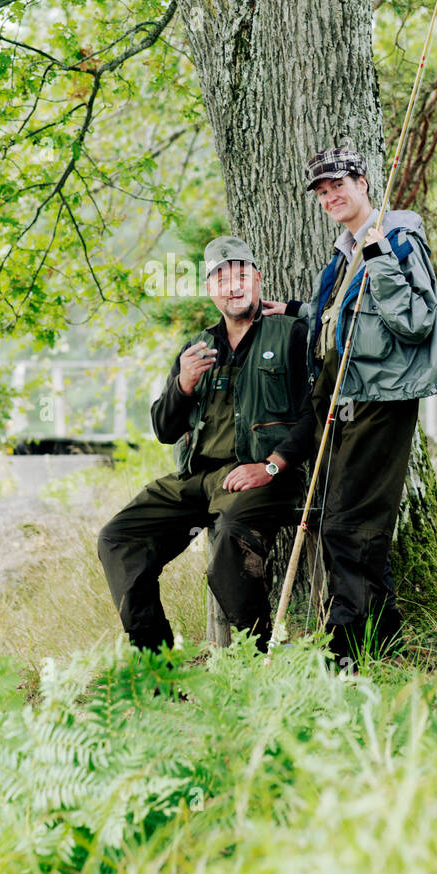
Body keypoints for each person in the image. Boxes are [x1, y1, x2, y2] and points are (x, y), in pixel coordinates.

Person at [262, 147, 437, 667]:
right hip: (340, 395)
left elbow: (417, 321)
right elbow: (346, 317)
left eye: (337, 185)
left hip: (378, 397)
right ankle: (382, 638)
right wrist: (301, 311)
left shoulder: (399, 239)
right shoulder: (344, 249)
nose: (330, 197)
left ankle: (345, 649)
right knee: (346, 519)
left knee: (349, 523)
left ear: (363, 181)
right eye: (321, 192)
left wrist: (381, 255)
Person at [97, 236, 315, 656]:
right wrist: (183, 385)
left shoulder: (292, 334)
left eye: (241, 275)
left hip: (264, 477)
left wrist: (272, 465)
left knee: (231, 545)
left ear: (257, 278)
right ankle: (156, 664)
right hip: (196, 480)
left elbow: (315, 414)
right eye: (221, 278)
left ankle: (260, 657)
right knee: (118, 538)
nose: (233, 286)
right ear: (211, 290)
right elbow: (163, 427)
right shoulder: (197, 347)